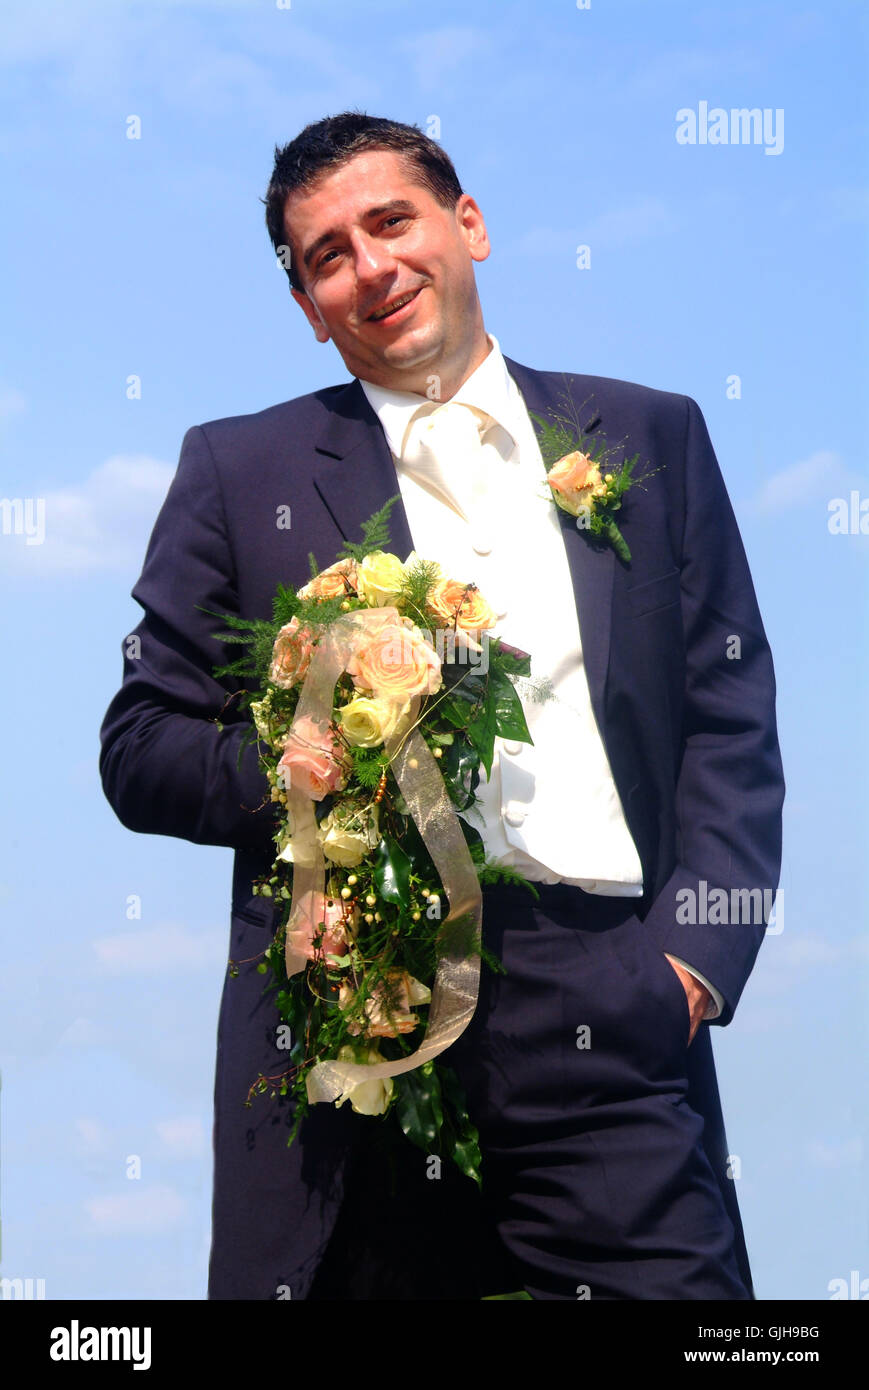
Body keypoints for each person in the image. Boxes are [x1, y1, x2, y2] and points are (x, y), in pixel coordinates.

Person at [99, 112, 785, 1301]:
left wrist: (690, 964)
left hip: (608, 1005)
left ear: (465, 225)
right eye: (325, 256)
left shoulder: (649, 434)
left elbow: (727, 713)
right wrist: (311, 763)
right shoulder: (237, 470)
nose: (369, 267)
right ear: (309, 307)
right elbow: (139, 746)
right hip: (356, 1025)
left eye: (389, 221)